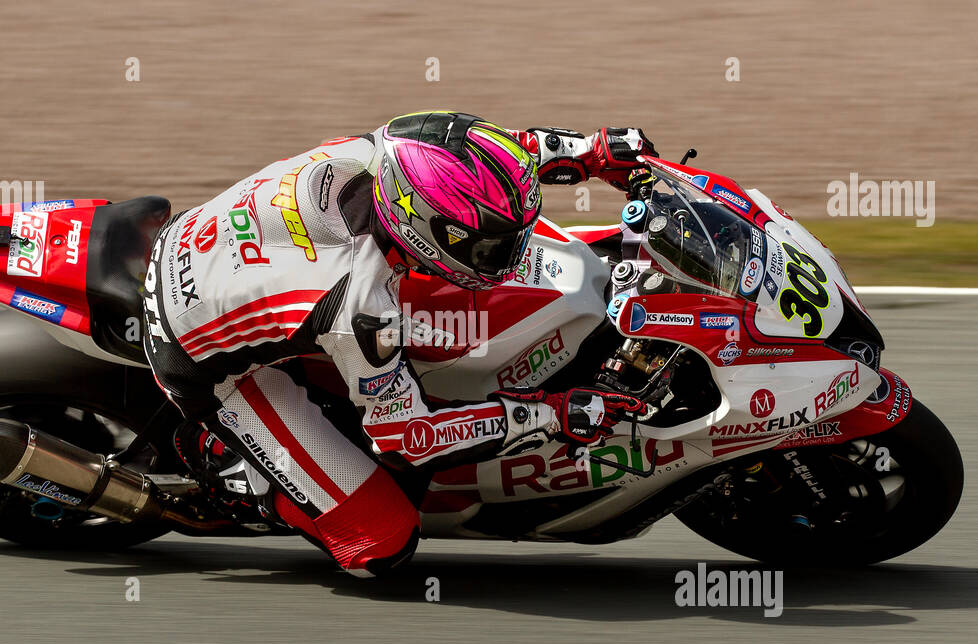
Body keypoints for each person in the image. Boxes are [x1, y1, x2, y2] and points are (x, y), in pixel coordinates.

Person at [143, 111, 656, 577]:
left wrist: (590, 151)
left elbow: (500, 154)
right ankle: (238, 475)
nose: (510, 256)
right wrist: (547, 414)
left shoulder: (396, 149)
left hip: (204, 244)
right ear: (424, 229)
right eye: (489, 245)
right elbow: (408, 438)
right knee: (382, 544)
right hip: (204, 366)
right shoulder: (364, 308)